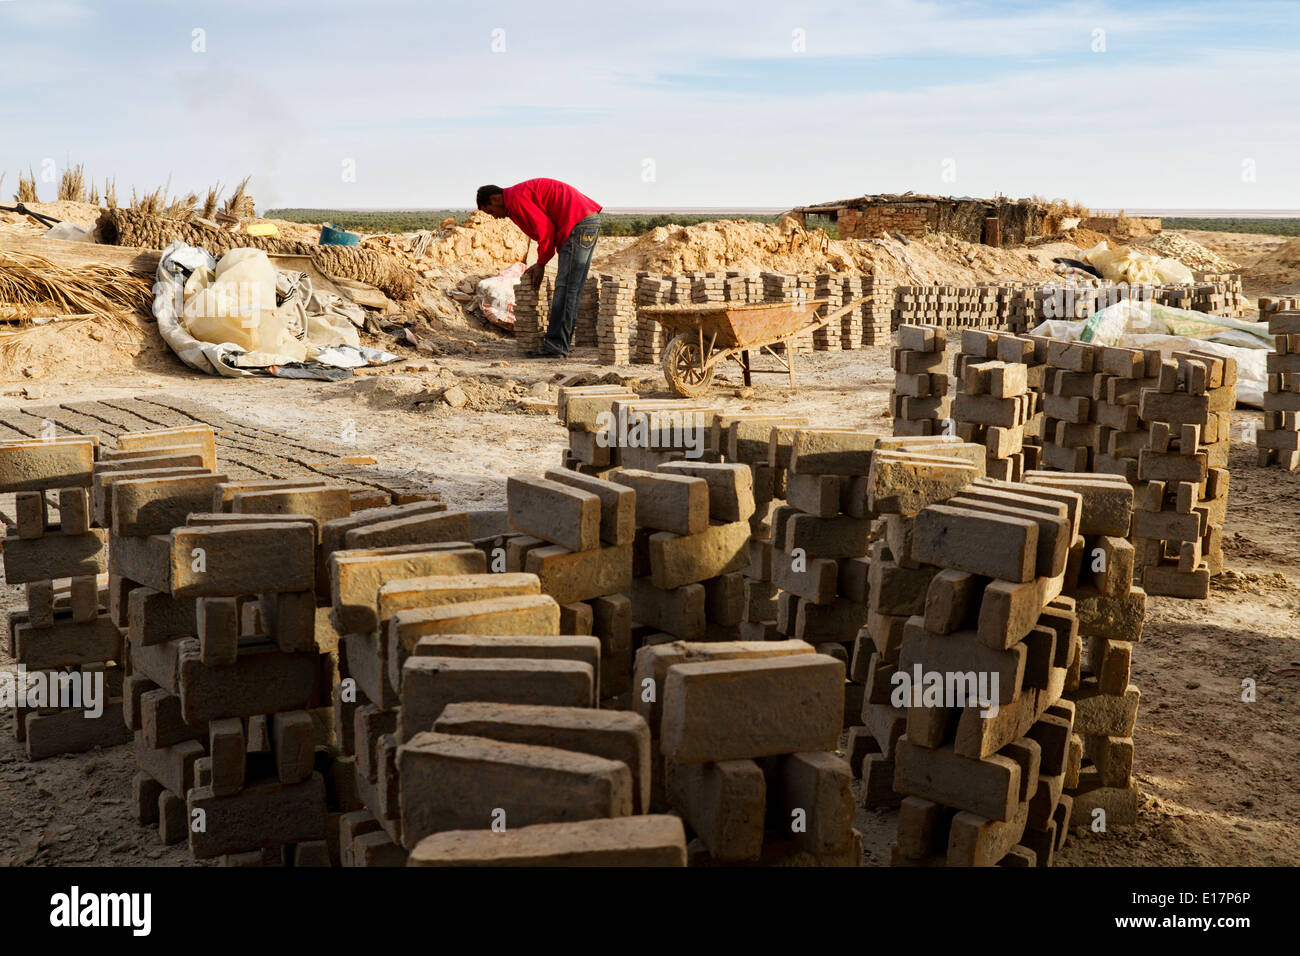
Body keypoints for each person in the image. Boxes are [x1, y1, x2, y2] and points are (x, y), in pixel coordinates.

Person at [477, 179, 602, 358]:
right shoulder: (515, 199)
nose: (495, 217)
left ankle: (556, 347)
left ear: (495, 198)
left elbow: (546, 231)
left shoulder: (516, 199)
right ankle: (560, 343)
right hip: (583, 221)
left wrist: (541, 263)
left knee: (566, 287)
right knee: (570, 287)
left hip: (579, 223)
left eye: (491, 211)